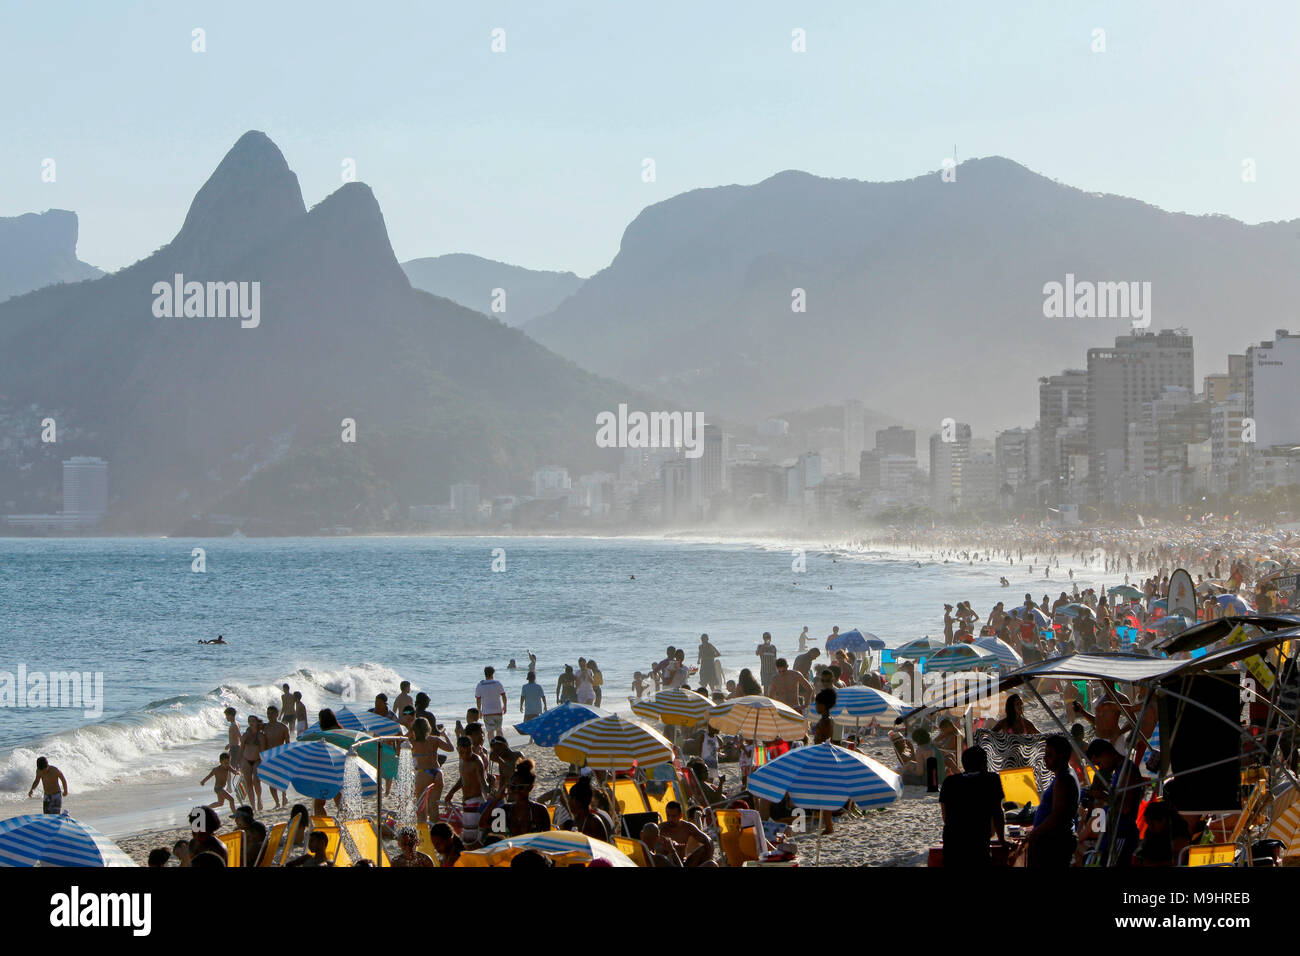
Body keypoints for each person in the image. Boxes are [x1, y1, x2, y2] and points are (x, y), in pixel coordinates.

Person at [939, 746, 1006, 866]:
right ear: (983, 763)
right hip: (978, 845)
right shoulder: (991, 779)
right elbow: (997, 813)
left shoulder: (949, 782)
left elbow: (945, 817)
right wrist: (1002, 840)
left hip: (952, 845)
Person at [1085, 738, 1142, 866]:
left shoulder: (1127, 770)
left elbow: (1125, 807)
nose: (1101, 767)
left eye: (1099, 763)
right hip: (1112, 832)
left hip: (1122, 833)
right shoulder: (1118, 771)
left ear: (1106, 753)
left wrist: (1102, 796)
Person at [1027, 735, 1080, 867]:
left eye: (1049, 754)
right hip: (1053, 841)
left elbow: (1057, 816)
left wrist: (1036, 832)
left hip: (1053, 844)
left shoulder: (1064, 780)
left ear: (1061, 756)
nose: (1045, 758)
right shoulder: (1064, 776)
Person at [445, 735, 488, 847]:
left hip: (475, 802)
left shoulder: (476, 761)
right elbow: (462, 779)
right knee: (469, 835)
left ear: (471, 748)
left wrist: (488, 792)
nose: (464, 755)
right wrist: (451, 792)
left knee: (471, 838)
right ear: (458, 749)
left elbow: (482, 781)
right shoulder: (462, 761)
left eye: (467, 752)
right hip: (467, 802)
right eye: (461, 753)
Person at [659, 801, 716, 866]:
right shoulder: (661, 829)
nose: (670, 819)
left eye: (674, 816)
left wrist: (708, 857)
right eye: (668, 816)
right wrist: (670, 848)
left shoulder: (687, 827)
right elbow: (656, 850)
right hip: (669, 863)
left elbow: (708, 840)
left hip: (684, 863)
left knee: (706, 856)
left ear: (680, 815)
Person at [505, 759, 552, 836]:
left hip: (533, 848)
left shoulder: (540, 810)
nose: (516, 790)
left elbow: (547, 838)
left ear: (530, 787)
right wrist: (497, 799)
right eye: (513, 787)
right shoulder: (505, 810)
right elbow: (483, 824)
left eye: (520, 787)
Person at [562, 775, 610, 843]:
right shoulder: (578, 820)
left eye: (570, 799)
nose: (568, 803)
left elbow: (600, 848)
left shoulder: (593, 823)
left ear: (575, 801)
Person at [263, 705, 291, 808]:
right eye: (268, 713)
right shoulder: (265, 727)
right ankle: (277, 802)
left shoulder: (283, 727)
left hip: (280, 755)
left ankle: (284, 795)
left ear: (277, 715)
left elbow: (288, 743)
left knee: (281, 778)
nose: (269, 716)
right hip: (269, 757)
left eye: (271, 714)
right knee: (271, 781)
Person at [240, 714, 266, 811]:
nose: (251, 723)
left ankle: (259, 799)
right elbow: (241, 749)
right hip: (246, 760)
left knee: (256, 781)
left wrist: (264, 763)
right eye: (249, 721)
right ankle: (253, 806)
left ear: (257, 723)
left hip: (257, 760)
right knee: (248, 783)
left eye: (253, 721)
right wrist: (239, 762)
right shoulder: (245, 735)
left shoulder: (260, 736)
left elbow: (263, 751)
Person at [475, 666, 508, 739]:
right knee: (499, 730)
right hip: (497, 710)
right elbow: (503, 696)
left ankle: (493, 747)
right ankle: (501, 746)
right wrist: (505, 706)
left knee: (490, 732)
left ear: (485, 674)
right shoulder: (497, 683)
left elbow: (478, 699)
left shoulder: (480, 685)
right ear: (493, 674)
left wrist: (479, 710)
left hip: (487, 712)